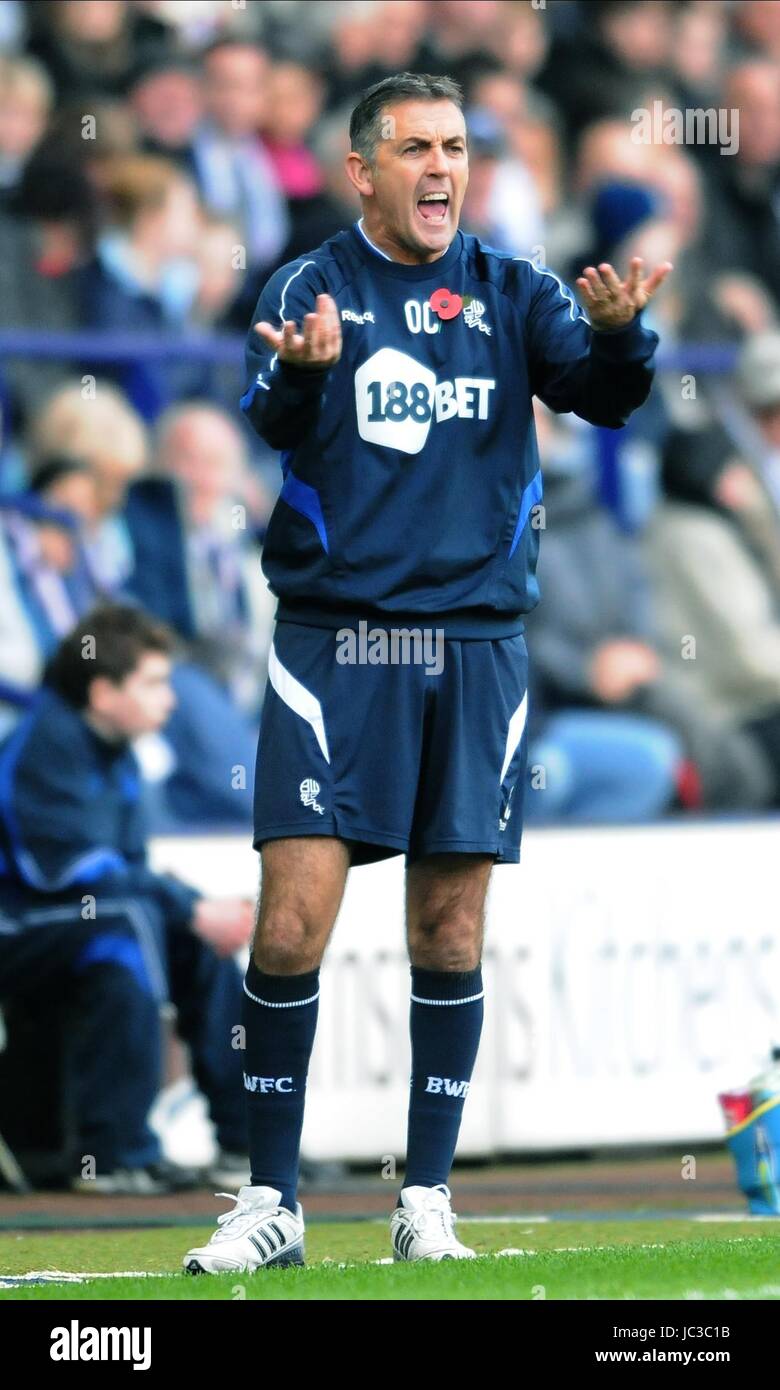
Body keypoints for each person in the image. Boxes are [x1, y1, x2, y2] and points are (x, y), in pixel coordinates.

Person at [184, 71, 670, 1273]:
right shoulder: (311, 284)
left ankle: (427, 1201)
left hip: (476, 646)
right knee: (291, 922)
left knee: (449, 928)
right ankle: (271, 1197)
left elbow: (603, 398)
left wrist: (622, 337)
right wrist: (301, 372)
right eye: (417, 149)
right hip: (339, 642)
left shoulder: (514, 292)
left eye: (457, 146)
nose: (444, 167)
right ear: (364, 171)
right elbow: (271, 415)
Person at [0, 604, 254, 1194]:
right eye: (155, 684)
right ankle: (115, 1153)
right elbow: (77, 876)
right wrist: (189, 906)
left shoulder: (119, 751)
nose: (171, 700)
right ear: (103, 691)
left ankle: (247, 1148)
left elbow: (128, 872)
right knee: (126, 928)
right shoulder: (49, 748)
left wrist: (195, 914)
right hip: (17, 921)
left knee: (195, 939)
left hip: (73, 918)